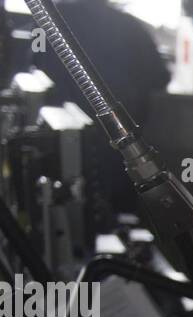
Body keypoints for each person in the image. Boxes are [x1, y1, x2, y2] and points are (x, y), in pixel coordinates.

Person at [32, 0, 169, 222]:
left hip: (64, 143)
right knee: (117, 215)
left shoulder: (49, 20)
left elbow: (36, 68)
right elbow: (160, 77)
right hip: (120, 147)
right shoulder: (129, 27)